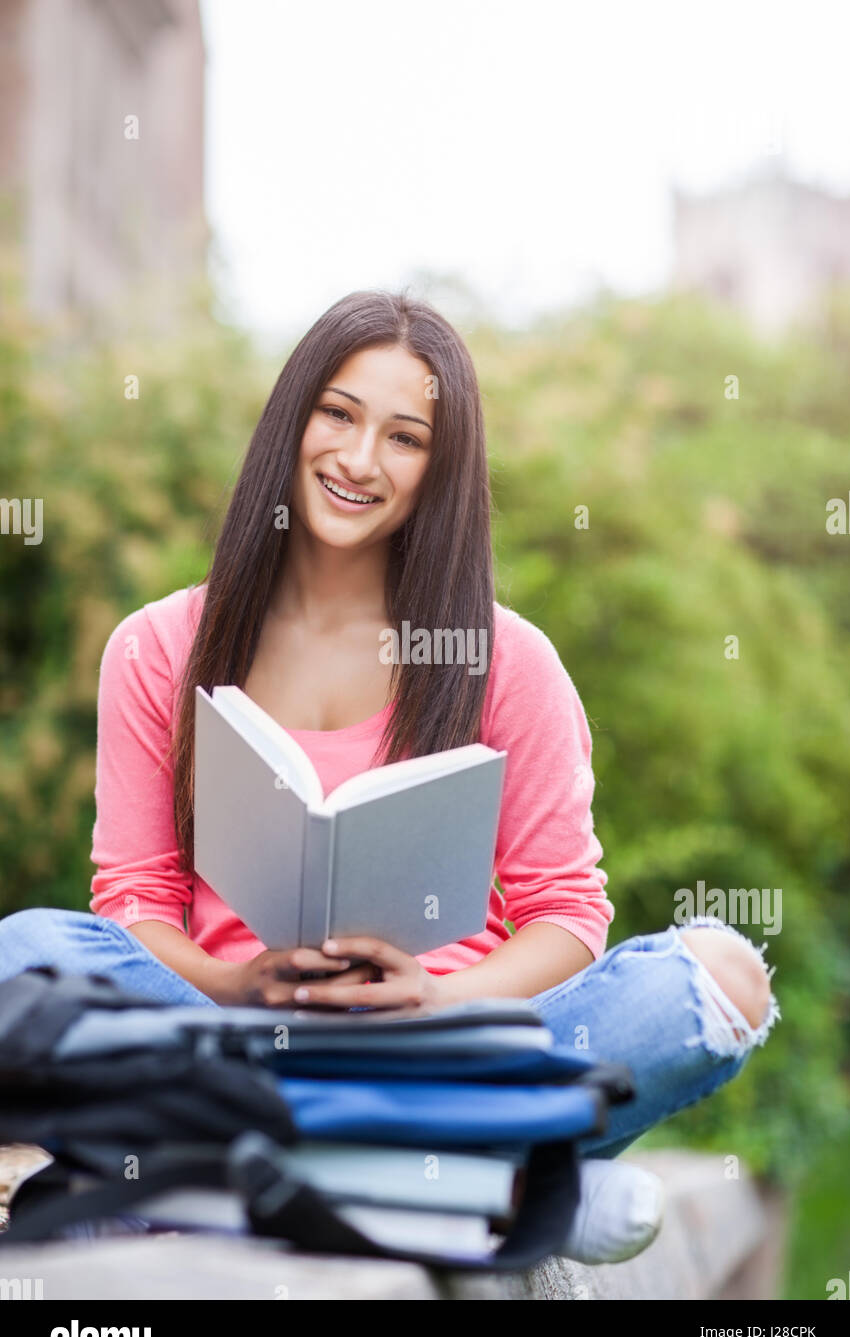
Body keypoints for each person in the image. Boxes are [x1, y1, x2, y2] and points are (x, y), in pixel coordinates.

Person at [0, 289, 780, 1265]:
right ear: (292, 420)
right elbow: (133, 903)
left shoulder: (506, 659)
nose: (359, 459)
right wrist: (242, 982)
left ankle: (272, 1169)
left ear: (438, 470)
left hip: (449, 1048)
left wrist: (433, 1003)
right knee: (23, 951)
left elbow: (567, 916)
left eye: (404, 437)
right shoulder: (158, 647)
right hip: (227, 1037)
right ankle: (498, 1182)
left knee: (714, 980)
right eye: (337, 413)